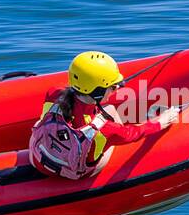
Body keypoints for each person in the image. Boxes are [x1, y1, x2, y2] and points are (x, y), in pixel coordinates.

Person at [28, 51, 178, 180]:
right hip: (73, 171)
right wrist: (163, 120)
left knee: (42, 122)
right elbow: (135, 133)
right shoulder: (105, 129)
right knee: (111, 114)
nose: (117, 88)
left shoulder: (53, 93)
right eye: (113, 87)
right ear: (98, 92)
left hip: (37, 158)